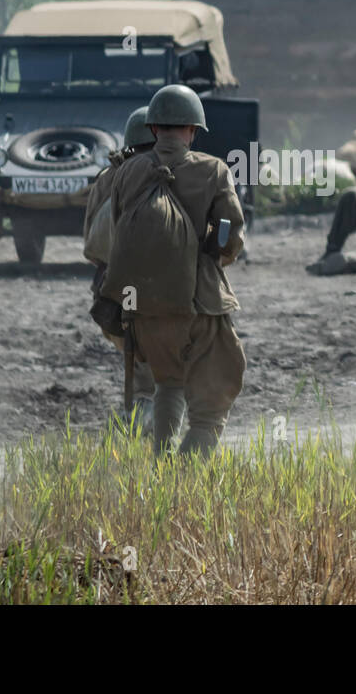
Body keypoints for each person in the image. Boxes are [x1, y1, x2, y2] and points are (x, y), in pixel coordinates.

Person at [108, 85, 246, 457]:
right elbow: (229, 234)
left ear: (153, 129)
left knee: (167, 385)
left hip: (145, 311)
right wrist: (216, 251)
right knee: (211, 410)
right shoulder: (212, 170)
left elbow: (119, 231)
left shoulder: (126, 173)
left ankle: (161, 468)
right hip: (199, 305)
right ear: (192, 129)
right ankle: (182, 482)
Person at [83, 107, 158, 429]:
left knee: (133, 346)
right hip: (156, 283)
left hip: (113, 287)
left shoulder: (108, 177)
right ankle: (149, 411)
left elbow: (90, 240)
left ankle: (141, 407)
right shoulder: (169, 173)